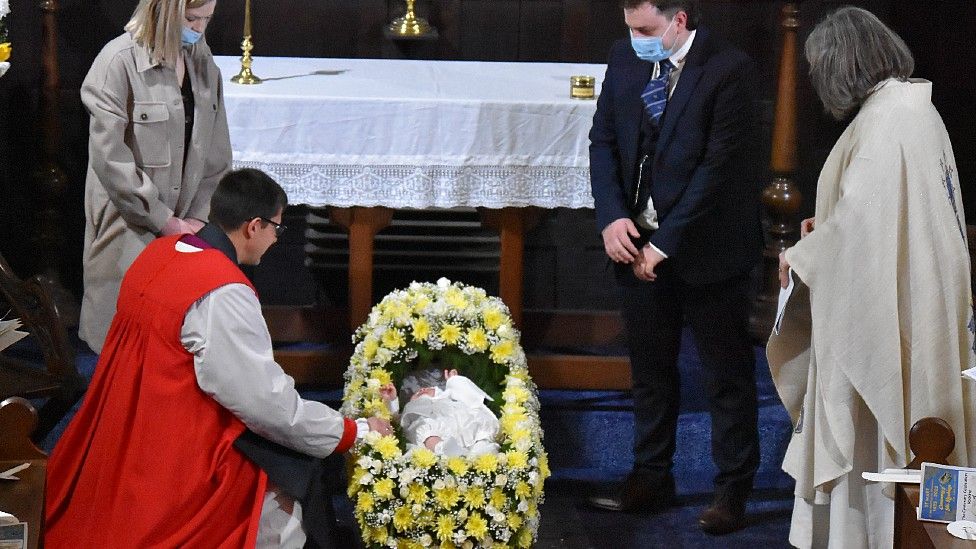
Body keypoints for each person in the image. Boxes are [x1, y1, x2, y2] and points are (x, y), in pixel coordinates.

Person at [45, 169, 392, 548]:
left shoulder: (159, 251)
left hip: (123, 425)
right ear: (254, 226)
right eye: (278, 228)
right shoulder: (222, 289)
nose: (276, 239)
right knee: (295, 476)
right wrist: (350, 431)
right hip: (176, 452)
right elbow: (263, 403)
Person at [768, 7, 976, 548]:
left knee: (885, 442)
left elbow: (863, 228)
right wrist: (829, 224)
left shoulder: (887, 123)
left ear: (840, 66)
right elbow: (874, 220)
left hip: (889, 315)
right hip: (917, 296)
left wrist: (805, 255)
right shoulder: (912, 108)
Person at [587, 0, 763, 535]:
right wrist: (613, 218)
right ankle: (650, 477)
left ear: (679, 19)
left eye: (645, 28)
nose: (635, 38)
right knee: (651, 372)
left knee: (725, 376)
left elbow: (718, 169)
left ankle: (732, 490)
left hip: (708, 247)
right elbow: (604, 141)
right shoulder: (625, 56)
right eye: (630, 27)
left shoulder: (729, 70)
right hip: (636, 240)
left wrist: (666, 245)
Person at [79, 0, 232, 353]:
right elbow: (110, 159)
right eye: (191, 19)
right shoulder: (118, 62)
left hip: (188, 230)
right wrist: (163, 219)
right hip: (129, 226)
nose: (199, 29)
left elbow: (217, 153)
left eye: (206, 19)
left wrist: (196, 218)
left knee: (173, 348)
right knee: (120, 343)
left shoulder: (202, 64)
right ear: (163, 12)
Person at [380, 369, 500, 457]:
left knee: (479, 431)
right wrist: (392, 400)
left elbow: (470, 399)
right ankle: (441, 450)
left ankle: (477, 453)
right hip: (434, 430)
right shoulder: (413, 410)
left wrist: (454, 381)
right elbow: (396, 422)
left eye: (428, 389)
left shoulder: (448, 398)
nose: (421, 390)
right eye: (416, 393)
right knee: (425, 427)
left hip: (461, 426)